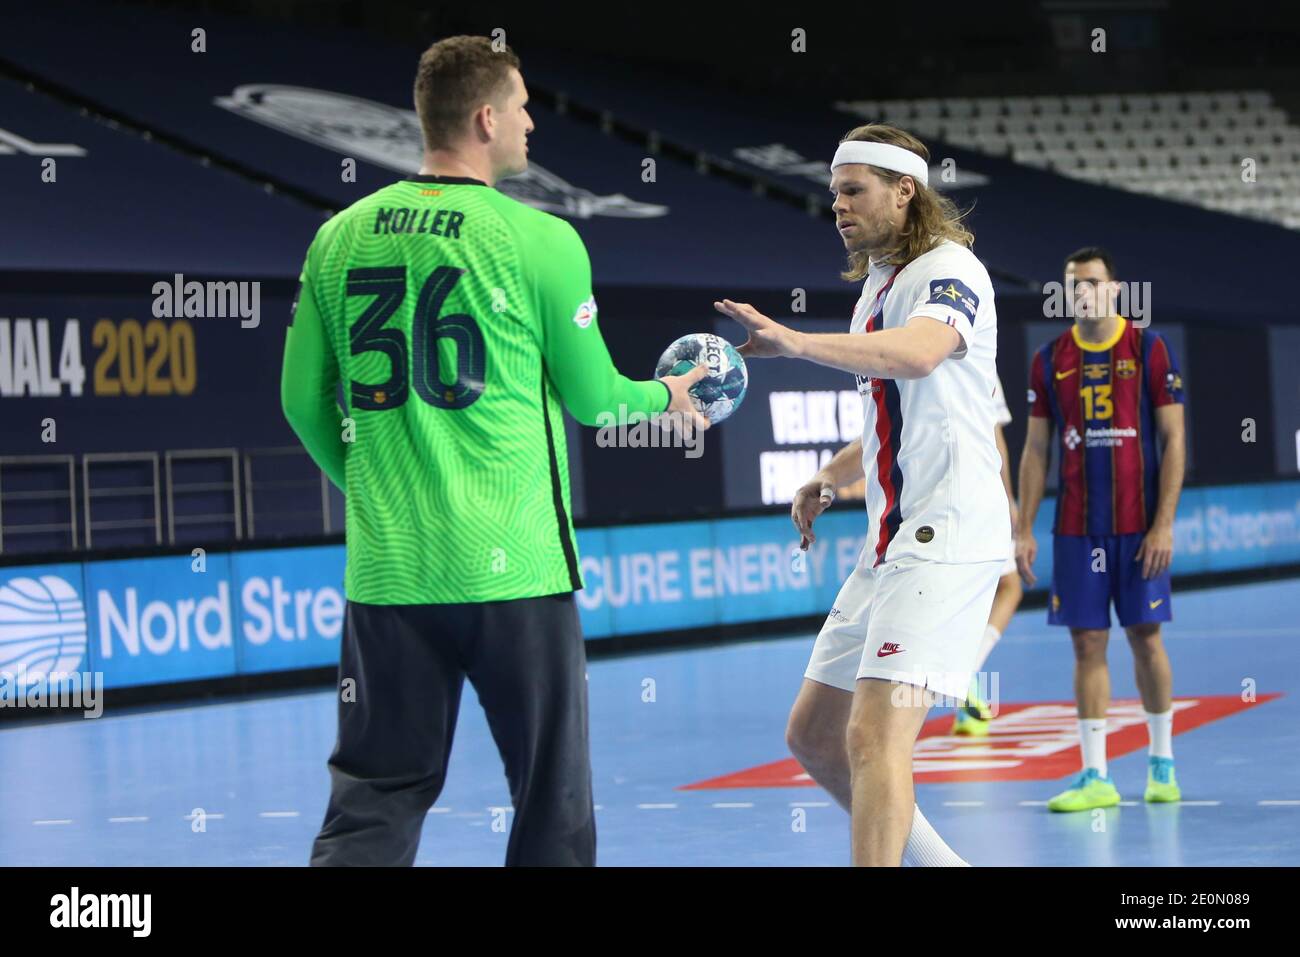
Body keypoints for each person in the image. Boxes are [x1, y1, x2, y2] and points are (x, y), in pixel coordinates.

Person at [281, 35, 707, 866]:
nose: (531, 123)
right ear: (485, 118)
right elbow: (594, 399)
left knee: (375, 794)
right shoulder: (540, 241)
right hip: (515, 572)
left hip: (391, 569)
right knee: (551, 795)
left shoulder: (338, 236)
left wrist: (372, 487)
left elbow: (301, 404)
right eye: (519, 106)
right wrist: (669, 398)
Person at [716, 124, 1009, 866]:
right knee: (814, 735)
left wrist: (796, 343)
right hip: (891, 539)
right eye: (834, 193)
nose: (839, 205)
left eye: (854, 190)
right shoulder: (877, 285)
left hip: (946, 532)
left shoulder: (951, 269)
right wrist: (830, 475)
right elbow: (894, 415)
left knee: (876, 736)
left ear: (904, 190)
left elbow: (918, 355)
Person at [1015, 246, 1186, 812]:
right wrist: (1023, 526)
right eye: (1073, 286)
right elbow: (1036, 448)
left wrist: (1164, 524)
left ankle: (1161, 762)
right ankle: (1096, 777)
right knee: (1087, 643)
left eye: (1092, 283)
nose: (1082, 293)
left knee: (1145, 635)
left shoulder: (1149, 348)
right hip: (1075, 529)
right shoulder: (1049, 359)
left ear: (1115, 289)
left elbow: (1174, 440)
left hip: (1139, 527)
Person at [951, 374, 1024, 736]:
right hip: (978, 492)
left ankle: (967, 706)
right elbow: (997, 442)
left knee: (959, 600)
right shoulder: (980, 357)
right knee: (1009, 587)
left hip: (927, 496)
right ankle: (964, 672)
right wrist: (1008, 498)